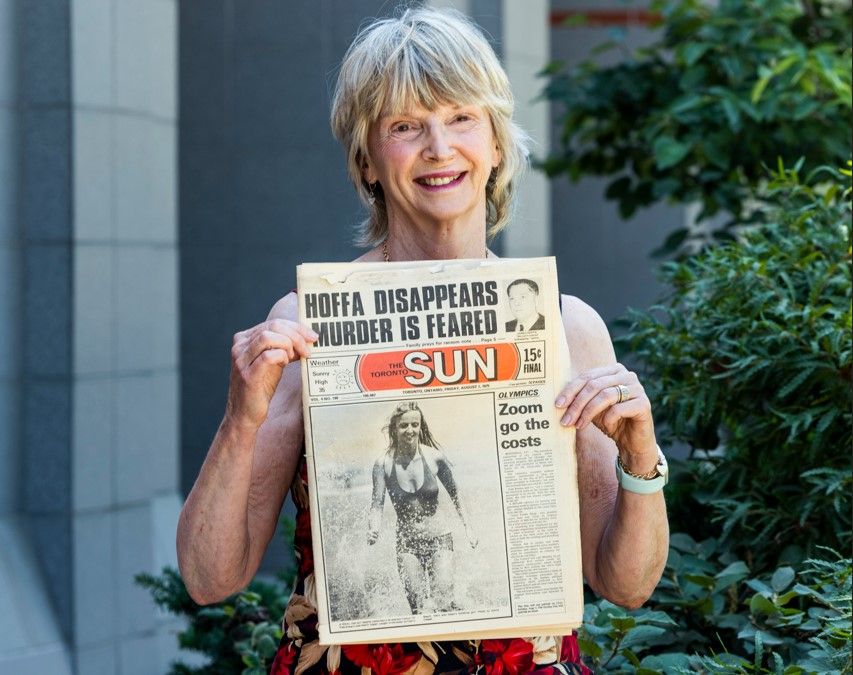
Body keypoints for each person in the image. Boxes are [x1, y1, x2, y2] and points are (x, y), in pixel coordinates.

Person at [176, 7, 669, 673]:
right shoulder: (309, 323)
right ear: (368, 161)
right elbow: (210, 578)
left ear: (495, 143)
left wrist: (640, 456)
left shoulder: (564, 326)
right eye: (405, 126)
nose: (439, 148)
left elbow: (626, 584)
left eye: (460, 118)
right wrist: (242, 417)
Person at [368, 401, 477, 615]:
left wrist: (469, 528)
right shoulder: (383, 464)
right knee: (417, 610)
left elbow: (457, 494)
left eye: (414, 425)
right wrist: (373, 528)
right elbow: (377, 503)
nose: (410, 430)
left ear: (420, 426)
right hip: (407, 545)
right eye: (404, 426)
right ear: (395, 428)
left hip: (440, 539)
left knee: (443, 603)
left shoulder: (434, 457)